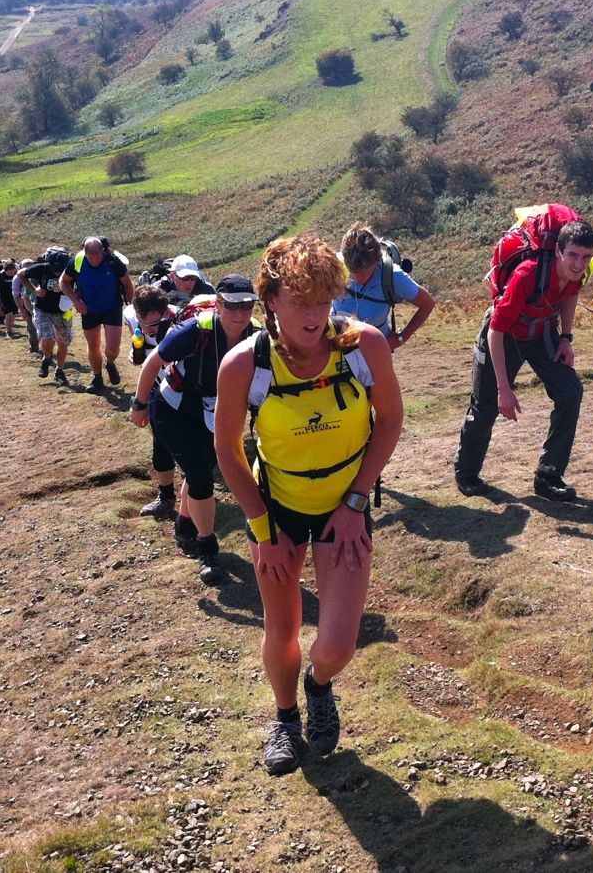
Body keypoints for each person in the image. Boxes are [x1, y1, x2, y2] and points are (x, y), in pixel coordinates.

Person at [214, 235, 403, 776]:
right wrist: (262, 529)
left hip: (345, 505)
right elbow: (226, 451)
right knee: (283, 628)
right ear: (270, 299)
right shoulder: (243, 365)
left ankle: (319, 686)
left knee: (338, 643)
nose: (316, 316)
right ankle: (284, 716)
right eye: (301, 301)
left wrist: (356, 500)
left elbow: (389, 423)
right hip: (275, 511)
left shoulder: (363, 347)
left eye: (324, 301)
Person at [453, 216, 593, 500]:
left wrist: (566, 339)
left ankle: (548, 475)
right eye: (572, 255)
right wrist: (504, 390)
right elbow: (495, 331)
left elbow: (570, 294)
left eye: (585, 257)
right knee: (486, 407)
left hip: (542, 331)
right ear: (558, 250)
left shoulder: (576, 272)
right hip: (503, 336)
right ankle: (466, 474)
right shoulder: (526, 275)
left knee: (570, 392)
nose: (579, 264)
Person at [130, 275, 260, 584]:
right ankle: (208, 548)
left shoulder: (255, 336)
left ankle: (185, 524)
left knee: (198, 470)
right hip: (171, 407)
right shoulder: (195, 329)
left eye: (247, 306)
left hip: (212, 411)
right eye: (231, 306)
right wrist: (138, 405)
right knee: (201, 477)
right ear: (218, 304)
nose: (239, 314)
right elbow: (152, 361)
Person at [124, 284, 180, 518]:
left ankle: (195, 491)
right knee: (160, 442)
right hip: (157, 385)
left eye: (155, 325)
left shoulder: (180, 319)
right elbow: (140, 352)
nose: (149, 329)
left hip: (184, 387)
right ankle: (166, 496)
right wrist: (136, 351)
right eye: (143, 323)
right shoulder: (129, 315)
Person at [333, 223, 434, 351]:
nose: (355, 277)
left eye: (362, 272)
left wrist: (400, 338)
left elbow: (427, 304)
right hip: (335, 349)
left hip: (374, 353)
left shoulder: (392, 276)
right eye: (351, 270)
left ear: (376, 263)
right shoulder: (334, 267)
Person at [59, 237, 134, 392]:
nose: (94, 260)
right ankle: (97, 378)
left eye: (98, 256)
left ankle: (110, 363)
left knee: (112, 348)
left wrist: (132, 307)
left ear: (103, 252)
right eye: (90, 257)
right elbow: (63, 282)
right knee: (93, 345)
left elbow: (127, 283)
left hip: (112, 307)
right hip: (89, 309)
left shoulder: (113, 261)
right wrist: (76, 302)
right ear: (84, 253)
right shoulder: (77, 261)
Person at [16, 253, 74, 386]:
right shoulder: (41, 268)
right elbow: (20, 274)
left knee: (63, 342)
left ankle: (59, 370)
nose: (57, 271)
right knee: (47, 337)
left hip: (63, 311)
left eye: (60, 269)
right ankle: (47, 358)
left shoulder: (73, 270)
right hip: (43, 309)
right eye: (54, 268)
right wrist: (34, 290)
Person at [13, 258, 39, 353]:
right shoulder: (17, 279)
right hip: (26, 304)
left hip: (40, 304)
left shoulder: (39, 275)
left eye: (30, 267)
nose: (28, 270)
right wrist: (22, 310)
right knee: (32, 327)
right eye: (25, 268)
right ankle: (34, 348)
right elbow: (16, 296)